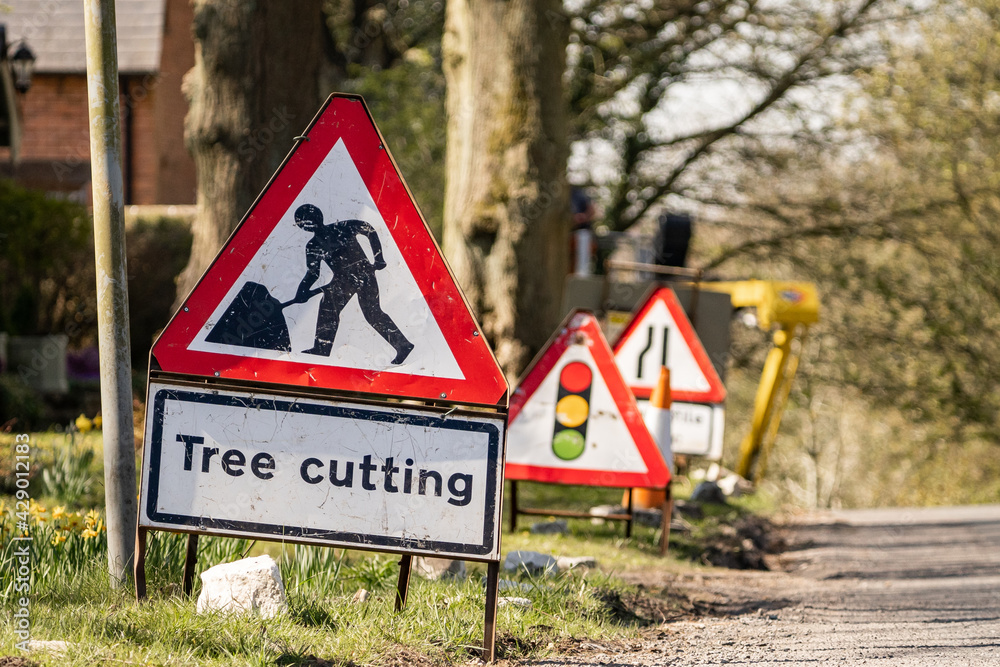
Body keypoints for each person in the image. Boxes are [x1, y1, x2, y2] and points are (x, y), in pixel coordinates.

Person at [290, 203, 414, 364]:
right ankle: (322, 348)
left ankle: (402, 345)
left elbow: (368, 229)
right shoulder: (314, 245)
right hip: (347, 278)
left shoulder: (341, 228)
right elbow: (313, 273)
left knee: (368, 313)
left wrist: (378, 257)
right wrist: (302, 292)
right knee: (335, 308)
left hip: (360, 274)